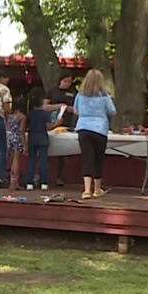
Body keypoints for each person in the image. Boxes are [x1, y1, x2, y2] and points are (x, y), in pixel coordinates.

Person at [73, 69, 117, 200]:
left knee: (87, 158)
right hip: (99, 128)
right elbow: (112, 111)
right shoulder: (104, 96)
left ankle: (86, 190)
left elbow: (76, 111)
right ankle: (97, 189)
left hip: (83, 127)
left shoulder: (80, 95)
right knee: (98, 158)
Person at [25, 88, 62, 191]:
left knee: (32, 160)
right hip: (43, 138)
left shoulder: (30, 114)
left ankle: (29, 182)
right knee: (43, 161)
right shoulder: (45, 114)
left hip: (32, 138)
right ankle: (44, 183)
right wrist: (57, 123)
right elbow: (49, 127)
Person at [47, 72, 77, 186]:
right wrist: (59, 106)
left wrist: (70, 109)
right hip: (53, 123)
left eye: (69, 82)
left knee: (64, 153)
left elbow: (77, 108)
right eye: (65, 81)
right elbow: (45, 106)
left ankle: (60, 177)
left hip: (67, 124)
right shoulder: (52, 91)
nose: (67, 84)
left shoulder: (73, 93)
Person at [5, 99, 27, 189]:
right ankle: (15, 182)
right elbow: (22, 131)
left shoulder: (8, 116)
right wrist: (25, 145)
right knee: (16, 161)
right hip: (17, 138)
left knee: (11, 160)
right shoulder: (22, 117)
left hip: (8, 137)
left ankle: (11, 181)